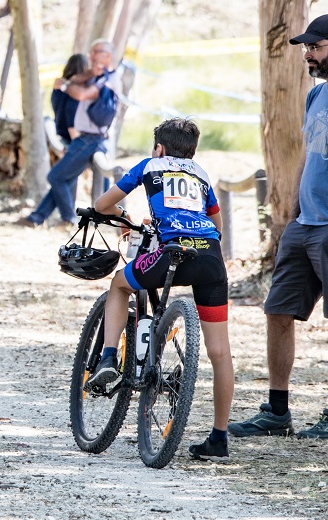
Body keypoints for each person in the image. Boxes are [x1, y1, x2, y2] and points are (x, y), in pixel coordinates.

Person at [229, 13, 328, 440]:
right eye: (306, 48)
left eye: (315, 47)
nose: (308, 54)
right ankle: (277, 410)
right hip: (303, 224)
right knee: (277, 311)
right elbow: (309, 157)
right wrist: (292, 211)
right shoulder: (315, 97)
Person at [85, 117, 234, 460]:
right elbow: (217, 223)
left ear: (160, 148)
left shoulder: (150, 165)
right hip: (210, 257)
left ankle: (108, 357)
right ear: (192, 150)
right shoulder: (200, 173)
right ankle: (219, 438)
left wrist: (130, 219)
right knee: (220, 351)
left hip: (170, 254)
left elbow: (102, 205)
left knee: (119, 284)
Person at [24, 40, 121, 227]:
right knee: (64, 178)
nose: (92, 56)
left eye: (96, 52)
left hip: (86, 139)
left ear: (108, 56)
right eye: (90, 53)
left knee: (57, 177)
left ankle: (67, 218)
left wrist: (64, 85)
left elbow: (81, 98)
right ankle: (39, 217)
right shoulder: (96, 76)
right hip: (85, 138)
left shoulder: (105, 80)